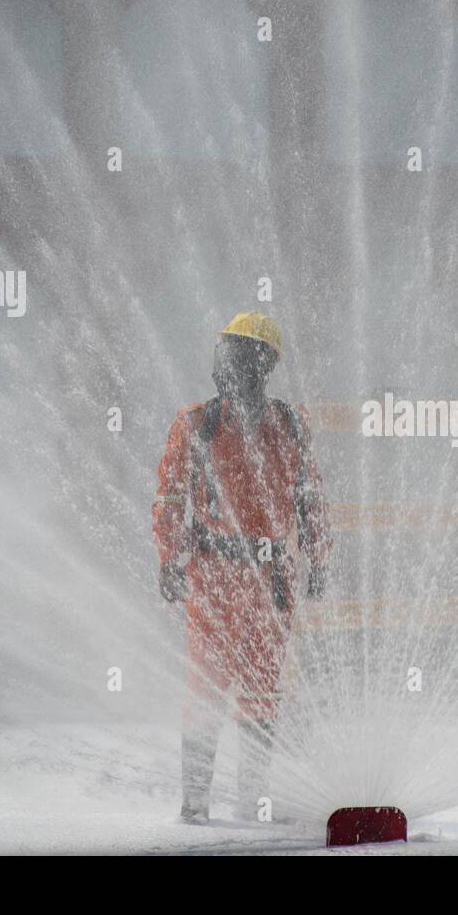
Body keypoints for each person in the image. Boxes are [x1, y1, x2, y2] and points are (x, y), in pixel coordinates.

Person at [152, 312, 330, 823]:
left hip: (271, 583)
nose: (228, 366)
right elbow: (169, 498)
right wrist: (170, 558)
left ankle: (254, 804)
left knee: (261, 693)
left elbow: (309, 498)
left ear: (262, 365)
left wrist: (317, 557)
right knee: (206, 686)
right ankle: (195, 805)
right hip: (213, 578)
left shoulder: (290, 425)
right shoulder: (195, 425)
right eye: (226, 354)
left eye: (239, 355)